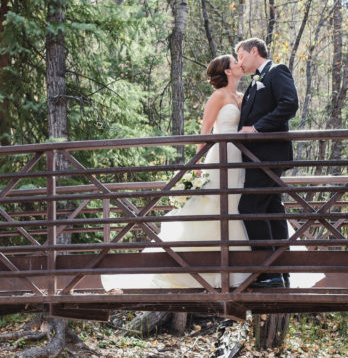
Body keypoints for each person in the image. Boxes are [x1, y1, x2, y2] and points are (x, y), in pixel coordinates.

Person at [101, 55, 252, 291]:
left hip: (240, 159)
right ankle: (203, 270)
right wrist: (197, 168)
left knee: (235, 206)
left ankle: (236, 270)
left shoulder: (243, 97)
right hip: (220, 158)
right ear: (228, 71)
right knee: (216, 206)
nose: (239, 63)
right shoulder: (218, 97)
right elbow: (203, 135)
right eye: (234, 62)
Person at [235, 37, 299, 289]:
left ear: (254, 51)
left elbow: (289, 104)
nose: (240, 62)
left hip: (269, 155)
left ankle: (267, 273)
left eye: (240, 56)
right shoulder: (254, 83)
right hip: (256, 157)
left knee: (249, 207)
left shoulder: (276, 71)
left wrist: (257, 128)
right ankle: (280, 273)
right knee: (272, 210)